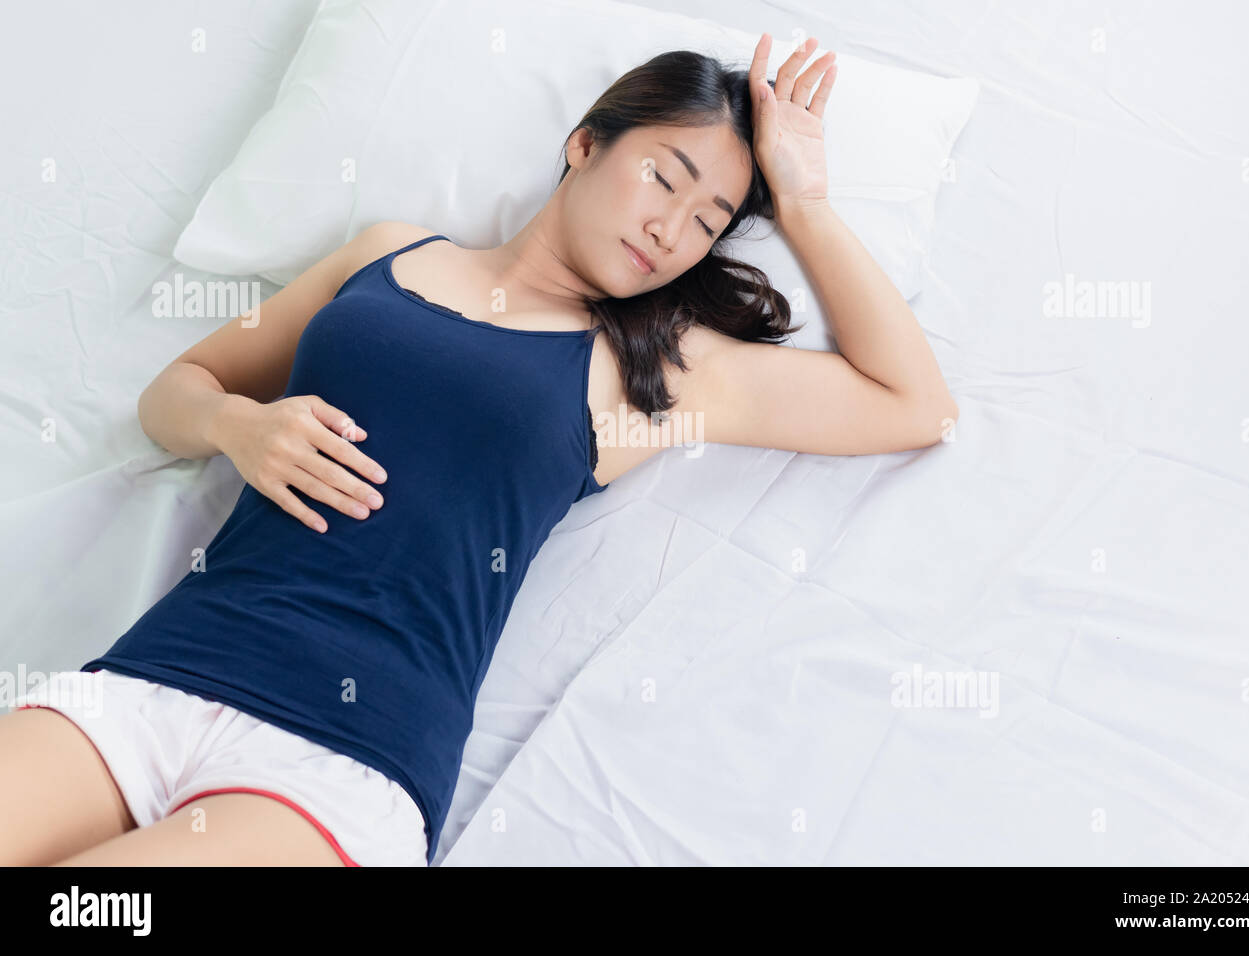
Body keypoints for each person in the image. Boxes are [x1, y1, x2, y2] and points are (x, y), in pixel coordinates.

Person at [0, 33, 957, 866]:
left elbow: (913, 404)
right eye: (665, 175)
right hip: (156, 677)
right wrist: (236, 428)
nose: (672, 227)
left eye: (707, 224)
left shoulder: (652, 373)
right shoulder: (387, 255)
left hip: (343, 757)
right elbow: (174, 391)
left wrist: (807, 204)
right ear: (585, 143)